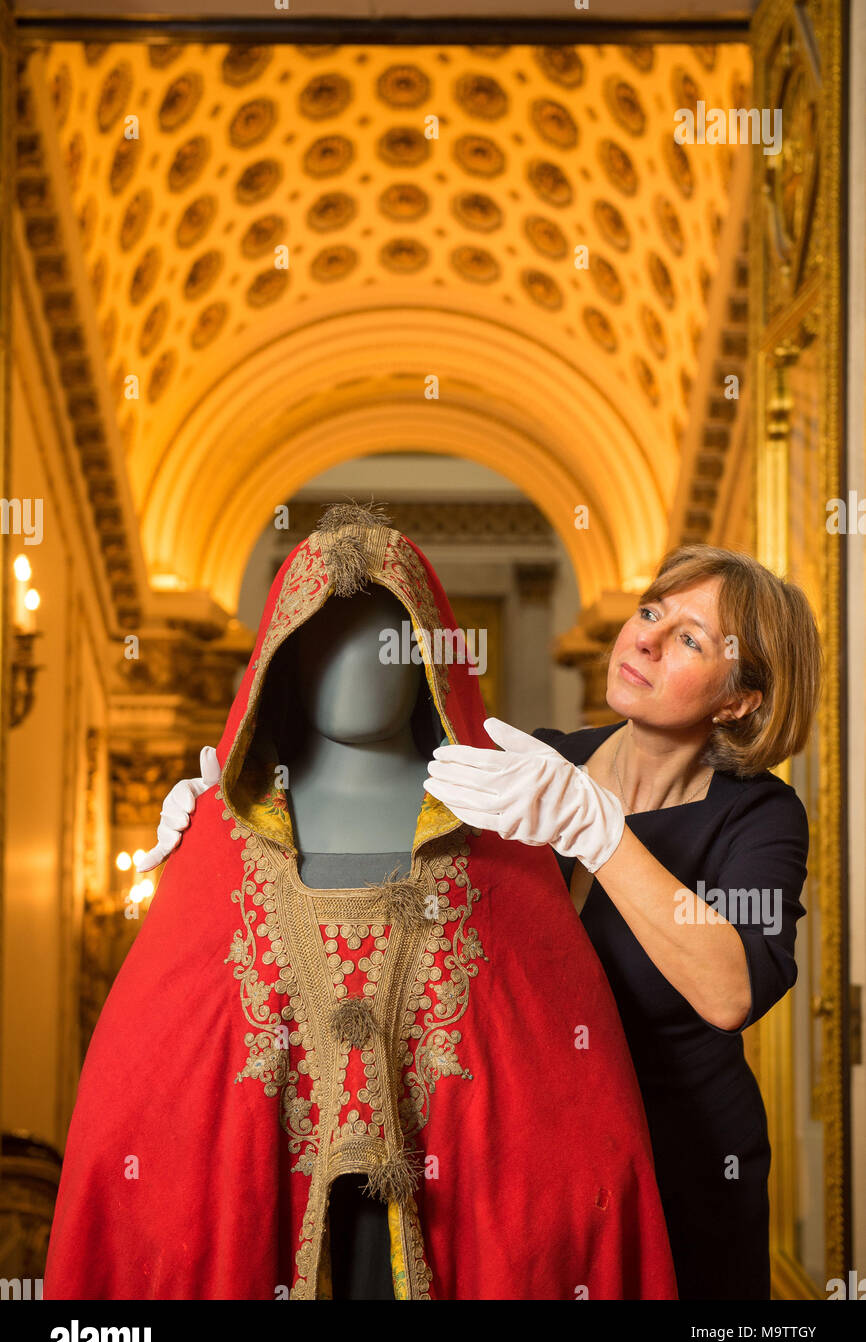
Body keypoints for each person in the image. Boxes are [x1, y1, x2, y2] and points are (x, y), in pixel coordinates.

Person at [44, 503, 677, 1301]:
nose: (355, 663)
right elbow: (141, 1091)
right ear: (282, 658)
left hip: (448, 1243)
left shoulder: (503, 832)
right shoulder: (219, 836)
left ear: (429, 659)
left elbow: (566, 1099)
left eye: (386, 639)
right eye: (322, 637)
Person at [423, 544, 822, 1300]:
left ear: (739, 701)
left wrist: (600, 834)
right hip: (530, 1163)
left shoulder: (760, 815)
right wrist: (227, 805)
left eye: (691, 639)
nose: (644, 638)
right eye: (650, 612)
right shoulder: (541, 764)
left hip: (685, 1169)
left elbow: (731, 991)